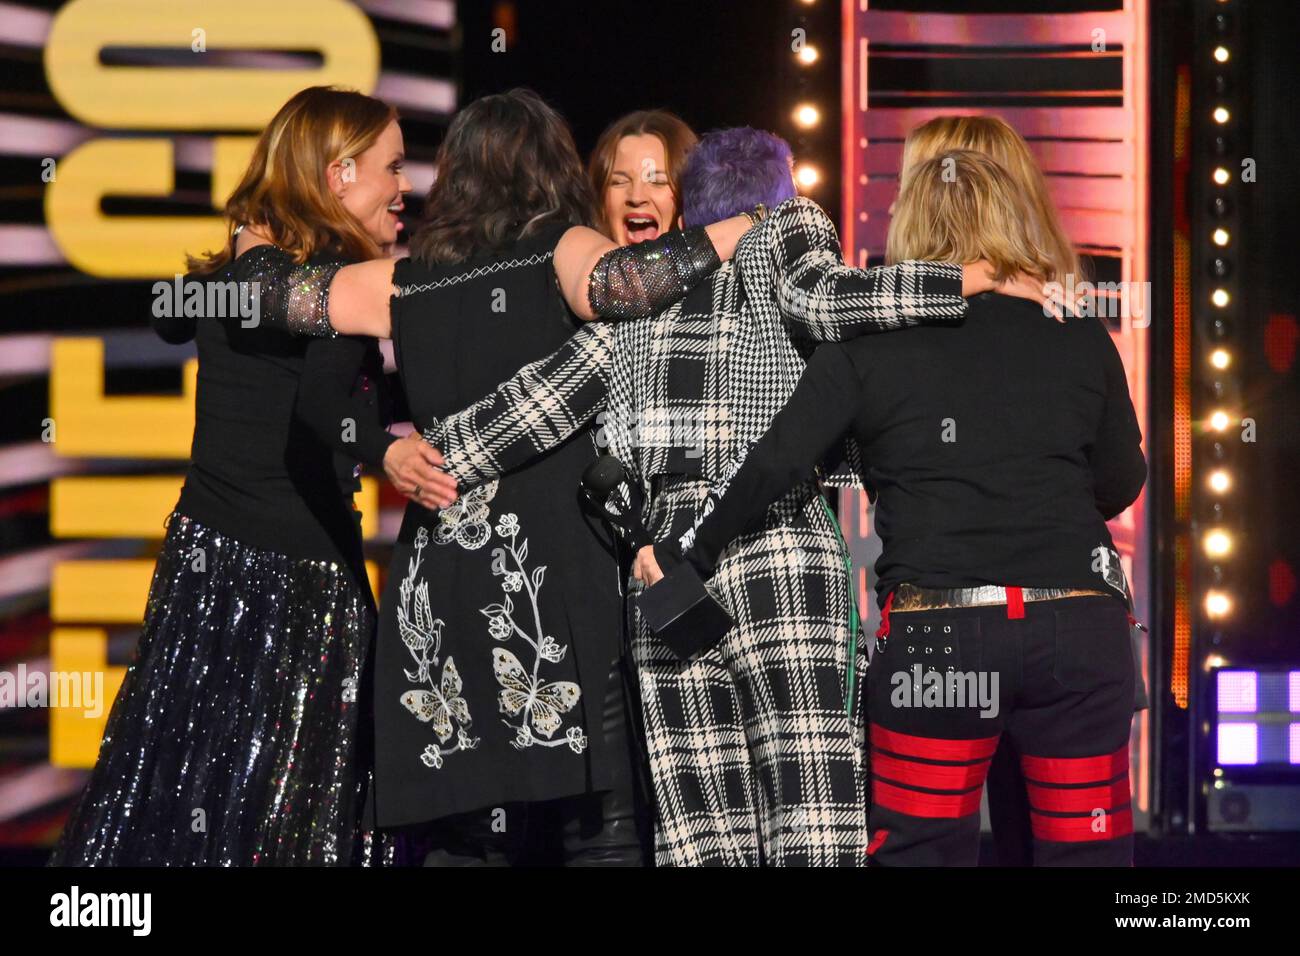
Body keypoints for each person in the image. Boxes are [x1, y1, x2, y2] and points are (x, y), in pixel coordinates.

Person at [399, 128, 1023, 865]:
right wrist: (956, 283)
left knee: (705, 834)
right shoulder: (784, 231)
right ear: (777, 191)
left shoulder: (636, 294)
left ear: (688, 201)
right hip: (776, 550)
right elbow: (828, 300)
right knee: (811, 816)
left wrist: (424, 456)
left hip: (663, 572)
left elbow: (545, 400)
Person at [245, 88, 755, 865]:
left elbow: (280, 300)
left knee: (462, 824)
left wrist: (250, 237)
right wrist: (748, 226)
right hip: (556, 566)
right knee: (600, 818)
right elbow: (626, 284)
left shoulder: (403, 281)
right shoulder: (563, 247)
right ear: (554, 168)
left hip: (440, 572)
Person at [637, 149, 1147, 867]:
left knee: (920, 853)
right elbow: (1122, 481)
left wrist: (690, 551)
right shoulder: (1077, 331)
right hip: (1078, 630)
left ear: (912, 222)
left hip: (943, 636)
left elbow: (776, 461)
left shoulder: (869, 341)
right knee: (1086, 860)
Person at [49, 87, 453, 866]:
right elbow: (311, 400)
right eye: (392, 168)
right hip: (297, 592)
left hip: (209, 575)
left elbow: (189, 314)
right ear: (338, 174)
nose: (406, 189)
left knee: (179, 798)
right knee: (280, 822)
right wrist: (387, 448)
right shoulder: (320, 276)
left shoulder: (265, 265)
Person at [887, 114, 1148, 866]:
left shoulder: (884, 333)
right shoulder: (1068, 327)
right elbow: (1117, 477)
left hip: (947, 622)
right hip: (1065, 618)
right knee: (1062, 840)